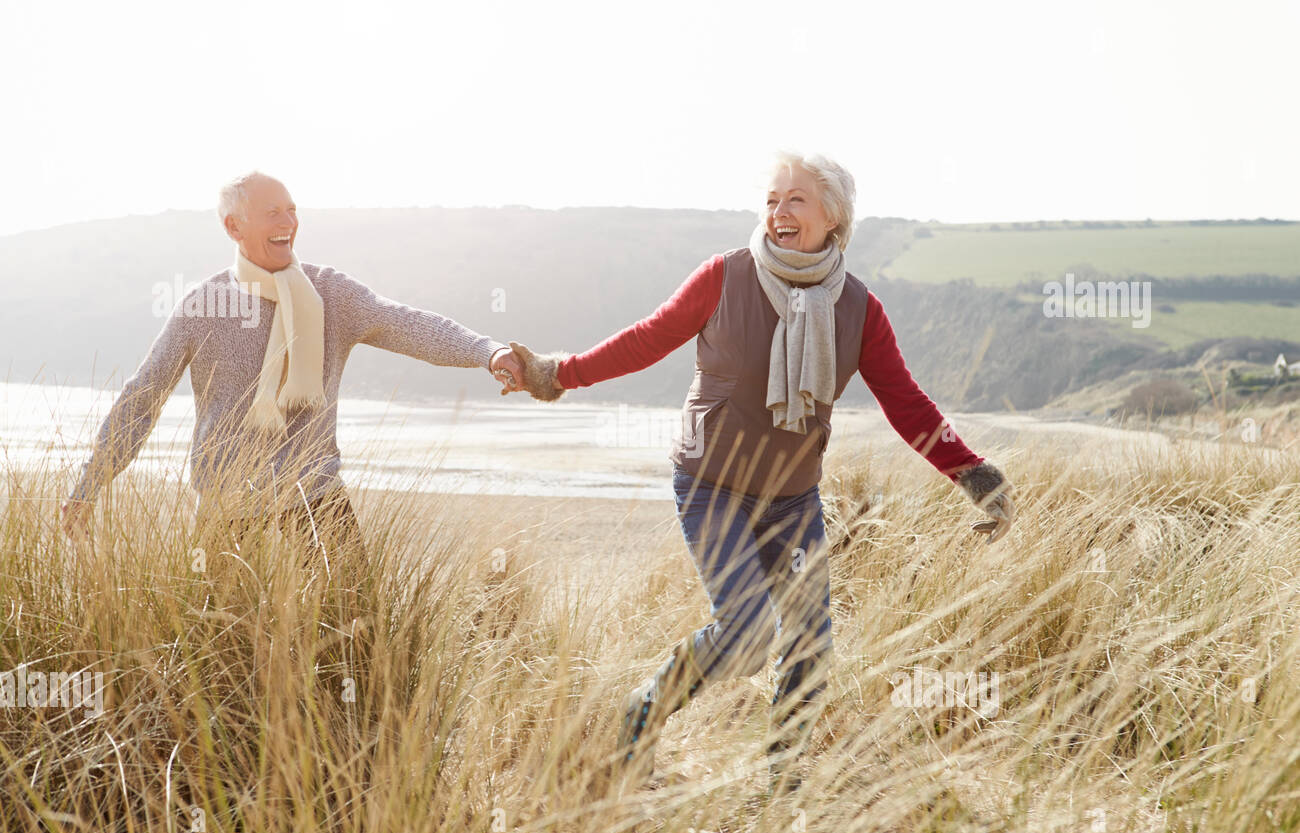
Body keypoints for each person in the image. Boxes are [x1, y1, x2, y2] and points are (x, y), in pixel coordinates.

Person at [504, 152, 1016, 789]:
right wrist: (558, 373)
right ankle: (641, 714)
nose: (779, 211)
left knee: (810, 643)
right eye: (773, 199)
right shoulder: (725, 277)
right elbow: (649, 337)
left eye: (796, 200)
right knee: (748, 634)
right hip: (710, 486)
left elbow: (906, 404)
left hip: (790, 501)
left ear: (834, 217)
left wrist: (975, 476)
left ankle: (782, 782)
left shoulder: (860, 309)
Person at [60, 171, 525, 701]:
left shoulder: (330, 294)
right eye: (272, 213)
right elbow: (143, 397)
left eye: (292, 210)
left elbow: (408, 325)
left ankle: (356, 743)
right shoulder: (203, 305)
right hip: (226, 507)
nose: (288, 223)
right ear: (234, 226)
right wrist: (90, 482)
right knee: (217, 652)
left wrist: (486, 351)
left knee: (357, 639)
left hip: (316, 500)